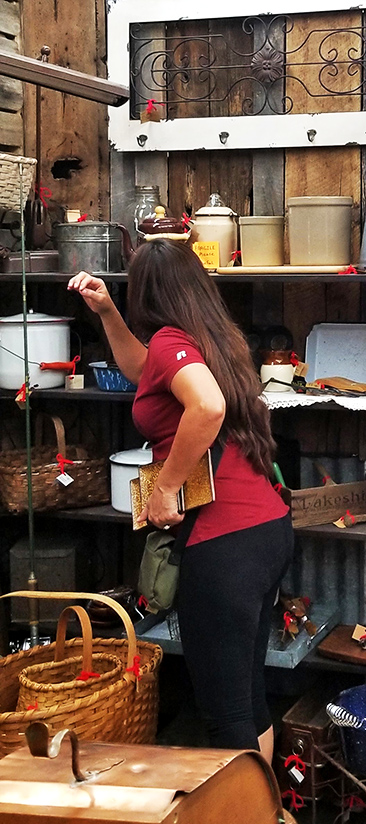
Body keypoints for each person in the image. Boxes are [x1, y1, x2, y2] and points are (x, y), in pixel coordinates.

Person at [68, 238, 292, 761]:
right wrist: (107, 313)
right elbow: (140, 369)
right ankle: (268, 823)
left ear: (147, 293)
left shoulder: (174, 343)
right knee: (248, 699)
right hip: (265, 530)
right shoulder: (211, 339)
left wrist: (167, 485)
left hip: (225, 544)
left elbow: (207, 407)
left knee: (225, 712)